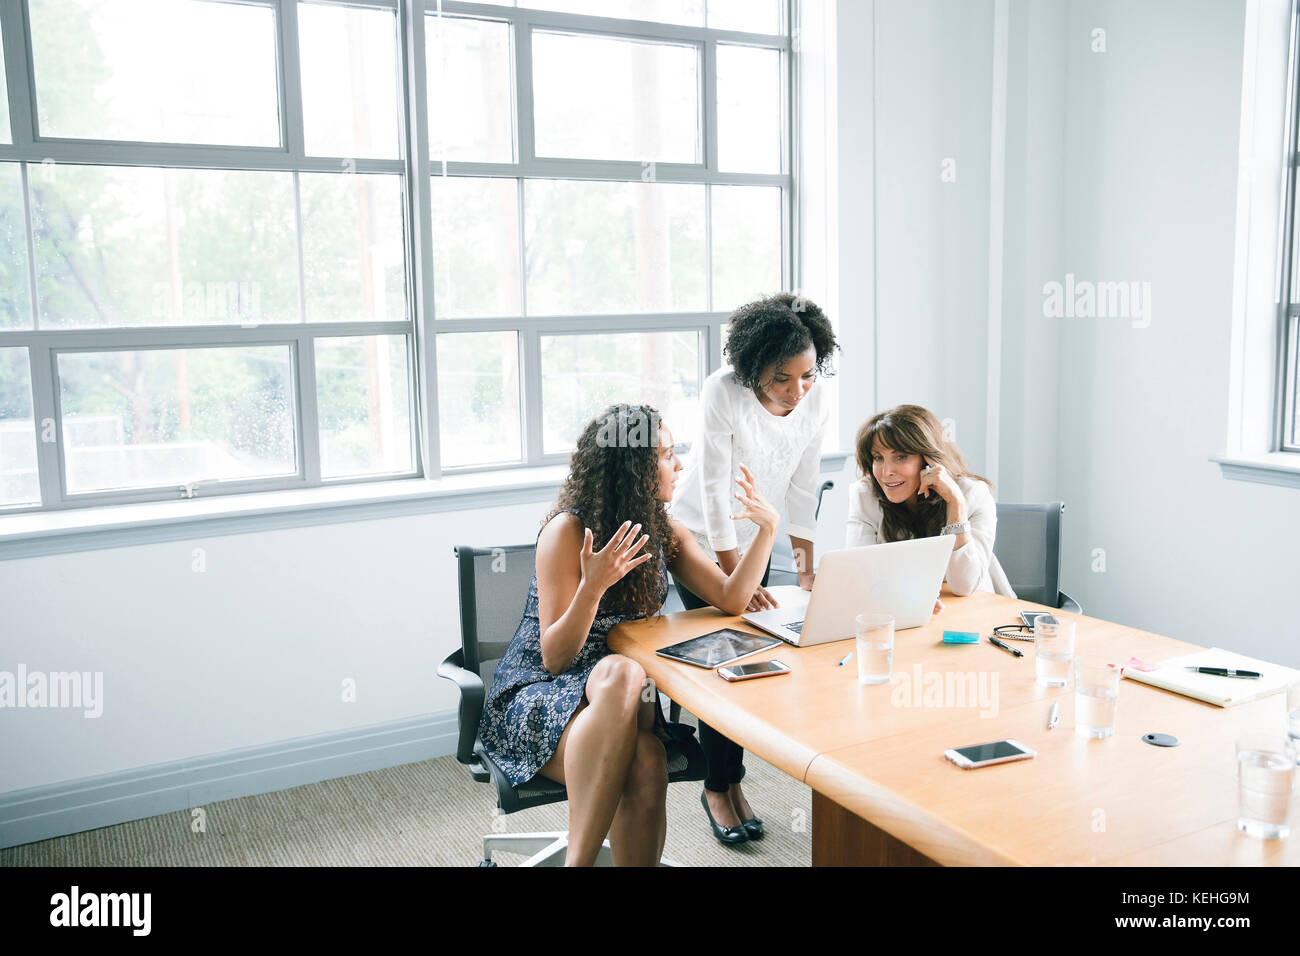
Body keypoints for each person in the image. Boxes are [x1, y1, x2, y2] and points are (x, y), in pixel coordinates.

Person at [478, 404, 781, 866]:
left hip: (619, 705)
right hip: (539, 697)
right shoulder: (567, 531)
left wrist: (767, 530)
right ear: (633, 469)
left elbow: (730, 597)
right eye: (664, 455)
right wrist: (593, 586)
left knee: (645, 758)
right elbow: (555, 657)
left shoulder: (663, 529)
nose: (678, 465)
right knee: (623, 672)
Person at [670, 292, 838, 846]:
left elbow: (801, 485)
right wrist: (730, 577)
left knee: (752, 655)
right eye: (782, 379)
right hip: (700, 536)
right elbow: (715, 487)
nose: (797, 392)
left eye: (807, 376)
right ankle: (720, 788)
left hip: (758, 538)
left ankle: (729, 781)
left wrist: (808, 571)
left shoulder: (816, 400)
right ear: (754, 367)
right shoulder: (724, 390)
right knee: (726, 651)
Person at [846, 404, 1015, 598]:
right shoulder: (865, 494)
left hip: (971, 609)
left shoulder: (972, 494)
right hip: (900, 605)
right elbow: (859, 572)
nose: (886, 472)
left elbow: (964, 586)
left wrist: (956, 504)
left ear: (928, 460)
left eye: (901, 457)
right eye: (878, 458)